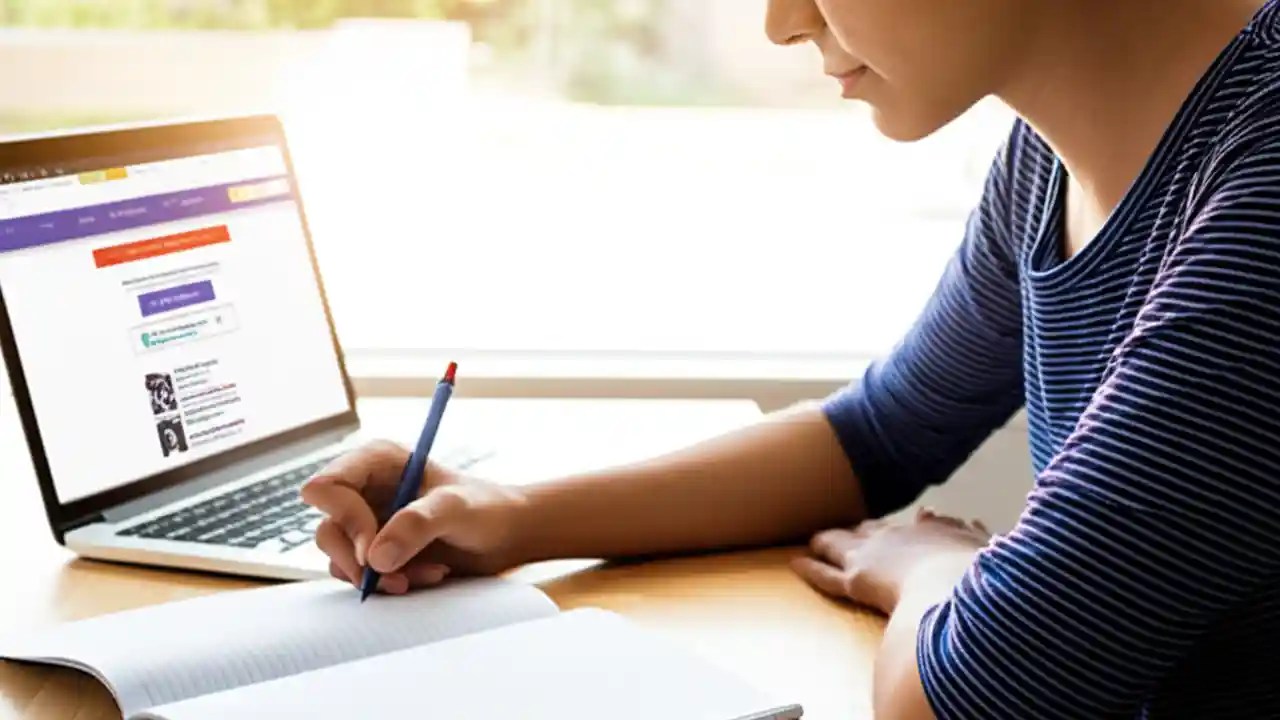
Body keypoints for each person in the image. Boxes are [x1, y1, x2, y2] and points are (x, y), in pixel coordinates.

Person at [302, 1, 1280, 716]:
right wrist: (514, 517)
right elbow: (876, 434)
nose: (778, 22)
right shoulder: (1050, 159)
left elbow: (970, 692)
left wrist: (931, 565)